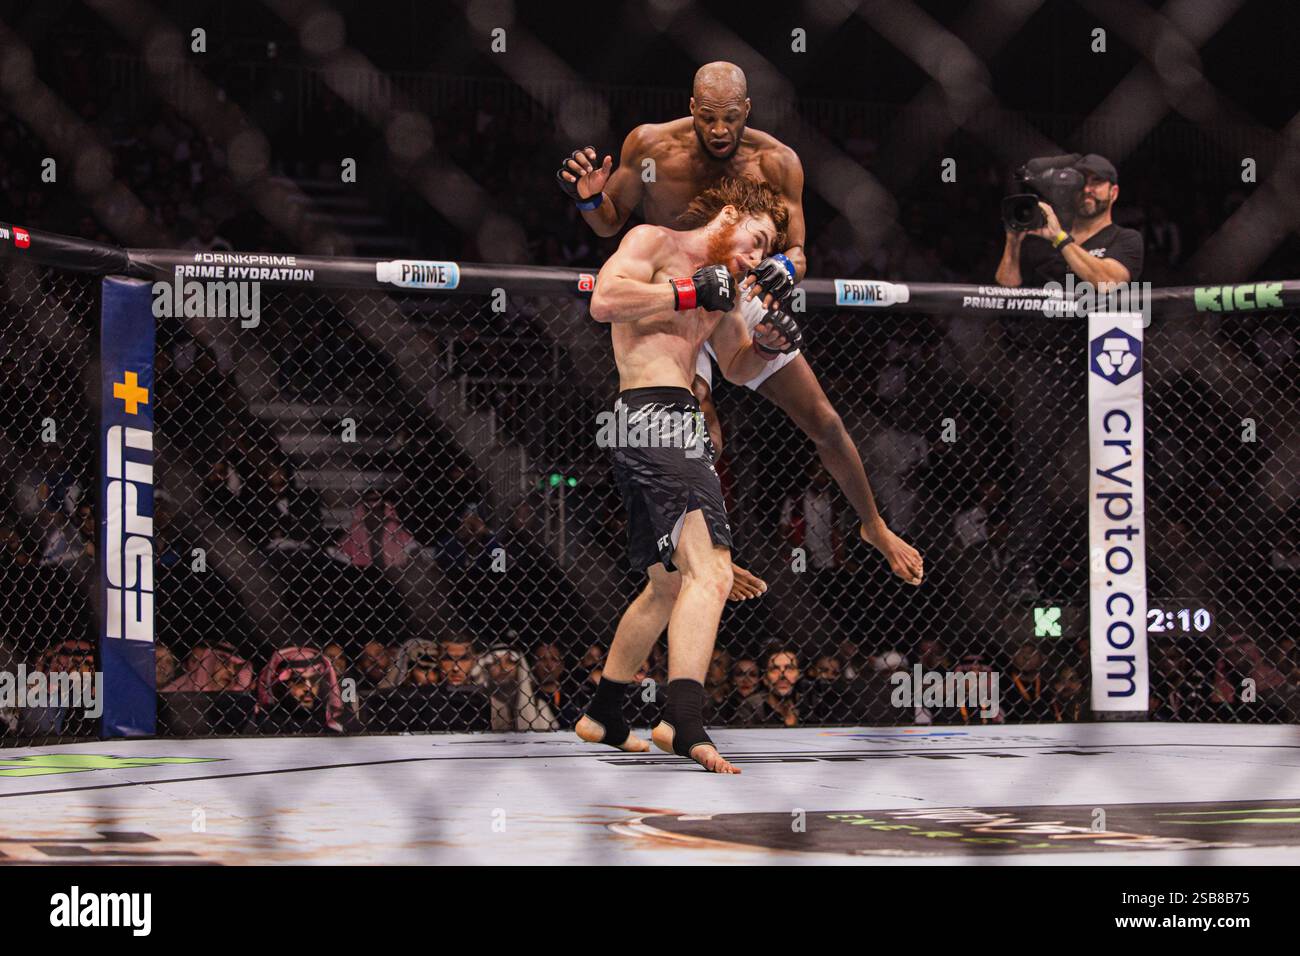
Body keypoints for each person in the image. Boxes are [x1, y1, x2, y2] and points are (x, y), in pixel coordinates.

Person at [558, 61, 923, 589]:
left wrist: (784, 266)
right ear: (692, 109)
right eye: (708, 118)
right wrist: (590, 198)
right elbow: (608, 221)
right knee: (696, 420)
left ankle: (873, 525)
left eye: (730, 118)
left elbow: (798, 251)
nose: (720, 130)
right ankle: (706, 553)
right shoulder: (651, 146)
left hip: (740, 290)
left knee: (823, 420)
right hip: (675, 292)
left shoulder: (777, 162)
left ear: (747, 111)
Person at [574, 176, 796, 772]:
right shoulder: (654, 240)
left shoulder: (724, 292)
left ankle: (604, 712)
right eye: (755, 241)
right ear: (730, 213)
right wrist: (686, 290)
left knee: (668, 584)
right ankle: (682, 721)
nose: (754, 258)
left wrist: (768, 347)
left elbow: (736, 360)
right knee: (712, 573)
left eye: (764, 252)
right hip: (652, 413)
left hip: (666, 422)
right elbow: (604, 301)